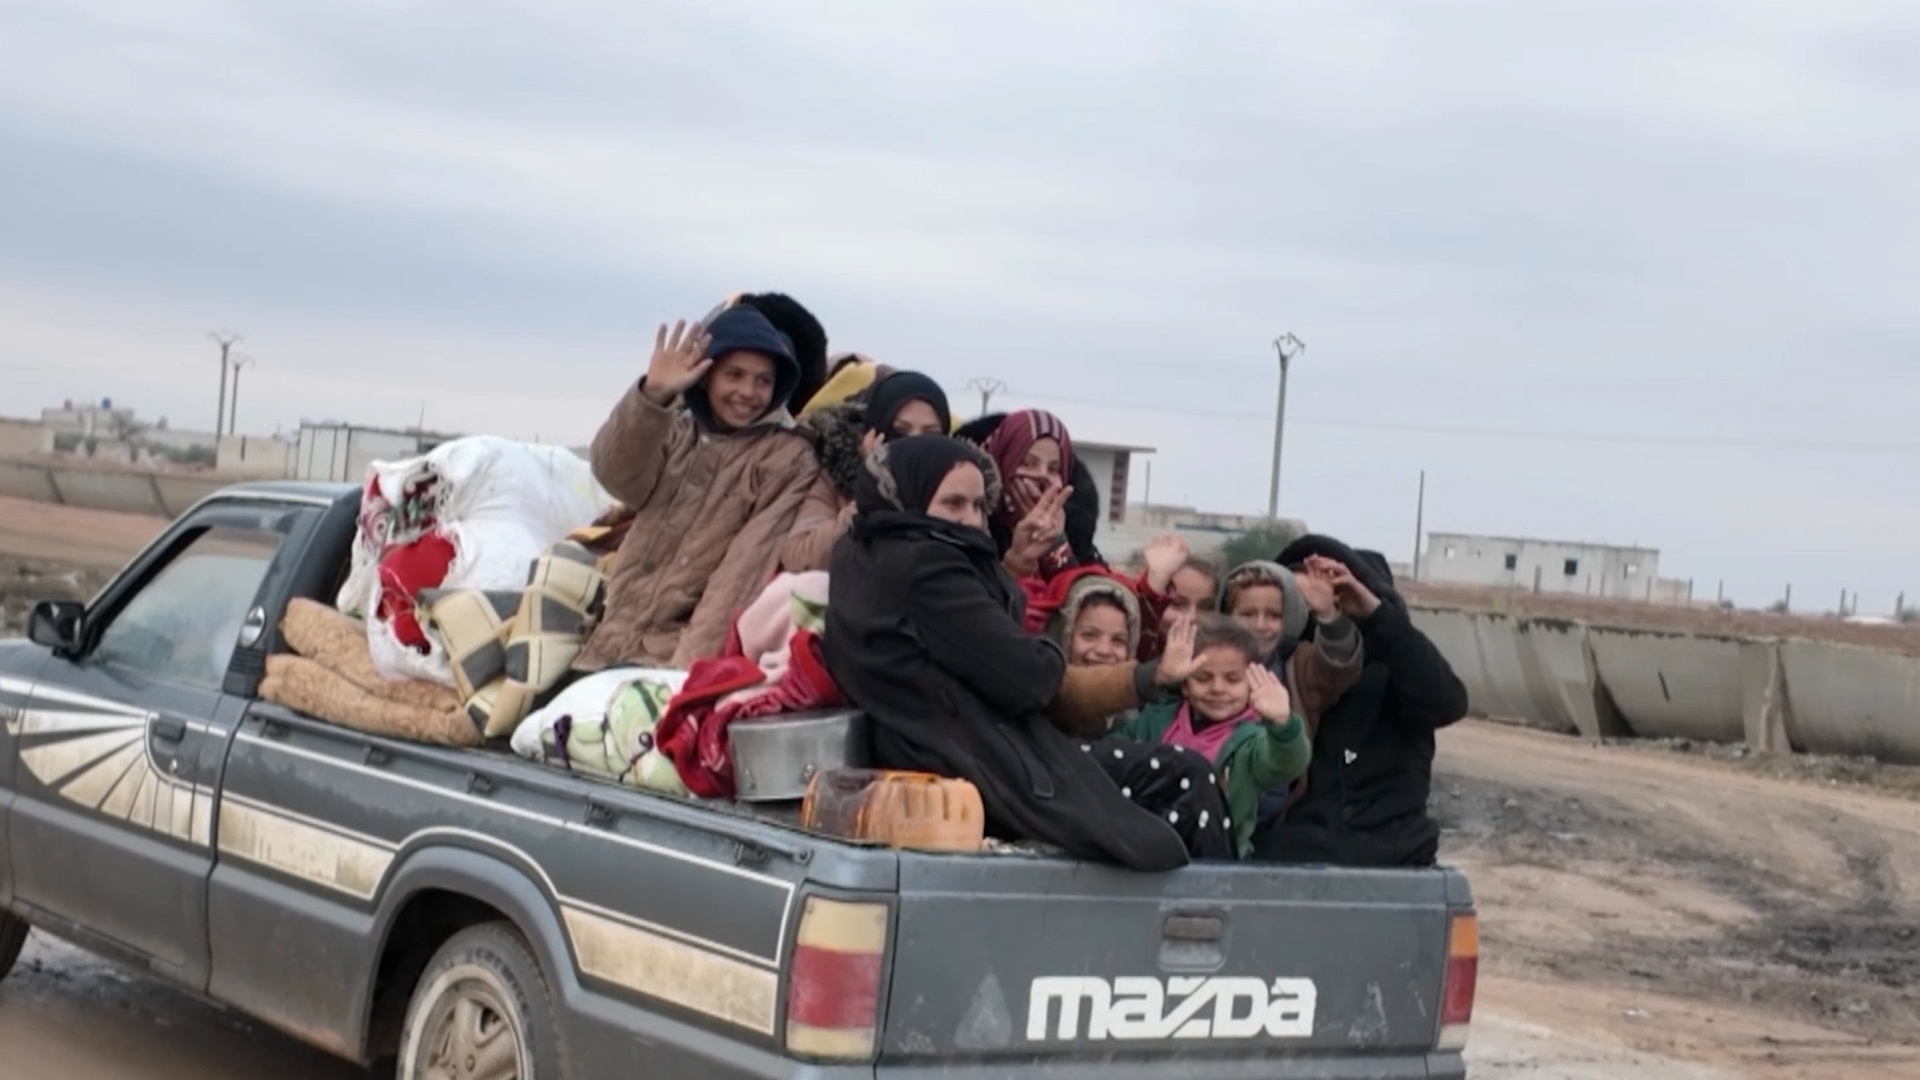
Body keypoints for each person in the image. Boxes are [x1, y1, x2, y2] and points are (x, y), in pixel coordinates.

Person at [823, 435, 1233, 871]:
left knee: (1157, 791)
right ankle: (1219, 918)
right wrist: (1045, 647)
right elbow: (1029, 677)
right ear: (910, 497)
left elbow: (968, 640)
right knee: (1186, 777)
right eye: (953, 504)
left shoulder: (864, 551)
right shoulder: (926, 564)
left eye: (980, 506)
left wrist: (1014, 564)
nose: (970, 520)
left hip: (938, 750)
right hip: (979, 766)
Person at [574, 310, 821, 671]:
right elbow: (617, 476)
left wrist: (684, 676)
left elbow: (740, 575)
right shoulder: (674, 429)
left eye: (763, 380)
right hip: (613, 634)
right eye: (734, 375)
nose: (748, 393)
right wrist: (653, 395)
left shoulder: (786, 458)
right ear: (706, 377)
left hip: (675, 653)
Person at [1252, 536, 1470, 868]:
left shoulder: (1398, 668)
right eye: (1298, 602)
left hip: (1389, 853)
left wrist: (1372, 613)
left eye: (1332, 598)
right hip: (1291, 853)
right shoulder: (1276, 671)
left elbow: (1447, 701)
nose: (1317, 609)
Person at [1112, 617, 1311, 857]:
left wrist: (1283, 724)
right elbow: (1112, 756)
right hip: (1144, 851)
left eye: (1233, 679)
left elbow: (1288, 763)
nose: (1217, 688)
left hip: (1217, 863)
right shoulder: (1153, 720)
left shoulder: (1252, 741)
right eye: (1203, 678)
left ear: (1252, 683)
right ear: (1185, 684)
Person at [780, 369, 952, 572]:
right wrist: (874, 487)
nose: (914, 445)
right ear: (871, 434)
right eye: (901, 431)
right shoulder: (834, 480)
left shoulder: (961, 489)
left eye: (930, 434)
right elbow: (800, 558)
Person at [955, 410, 1103, 576]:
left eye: (1053, 469)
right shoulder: (967, 526)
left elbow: (1082, 596)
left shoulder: (1077, 534)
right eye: (1027, 463)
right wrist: (1015, 565)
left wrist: (1056, 544)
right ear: (1002, 463)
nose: (1041, 476)